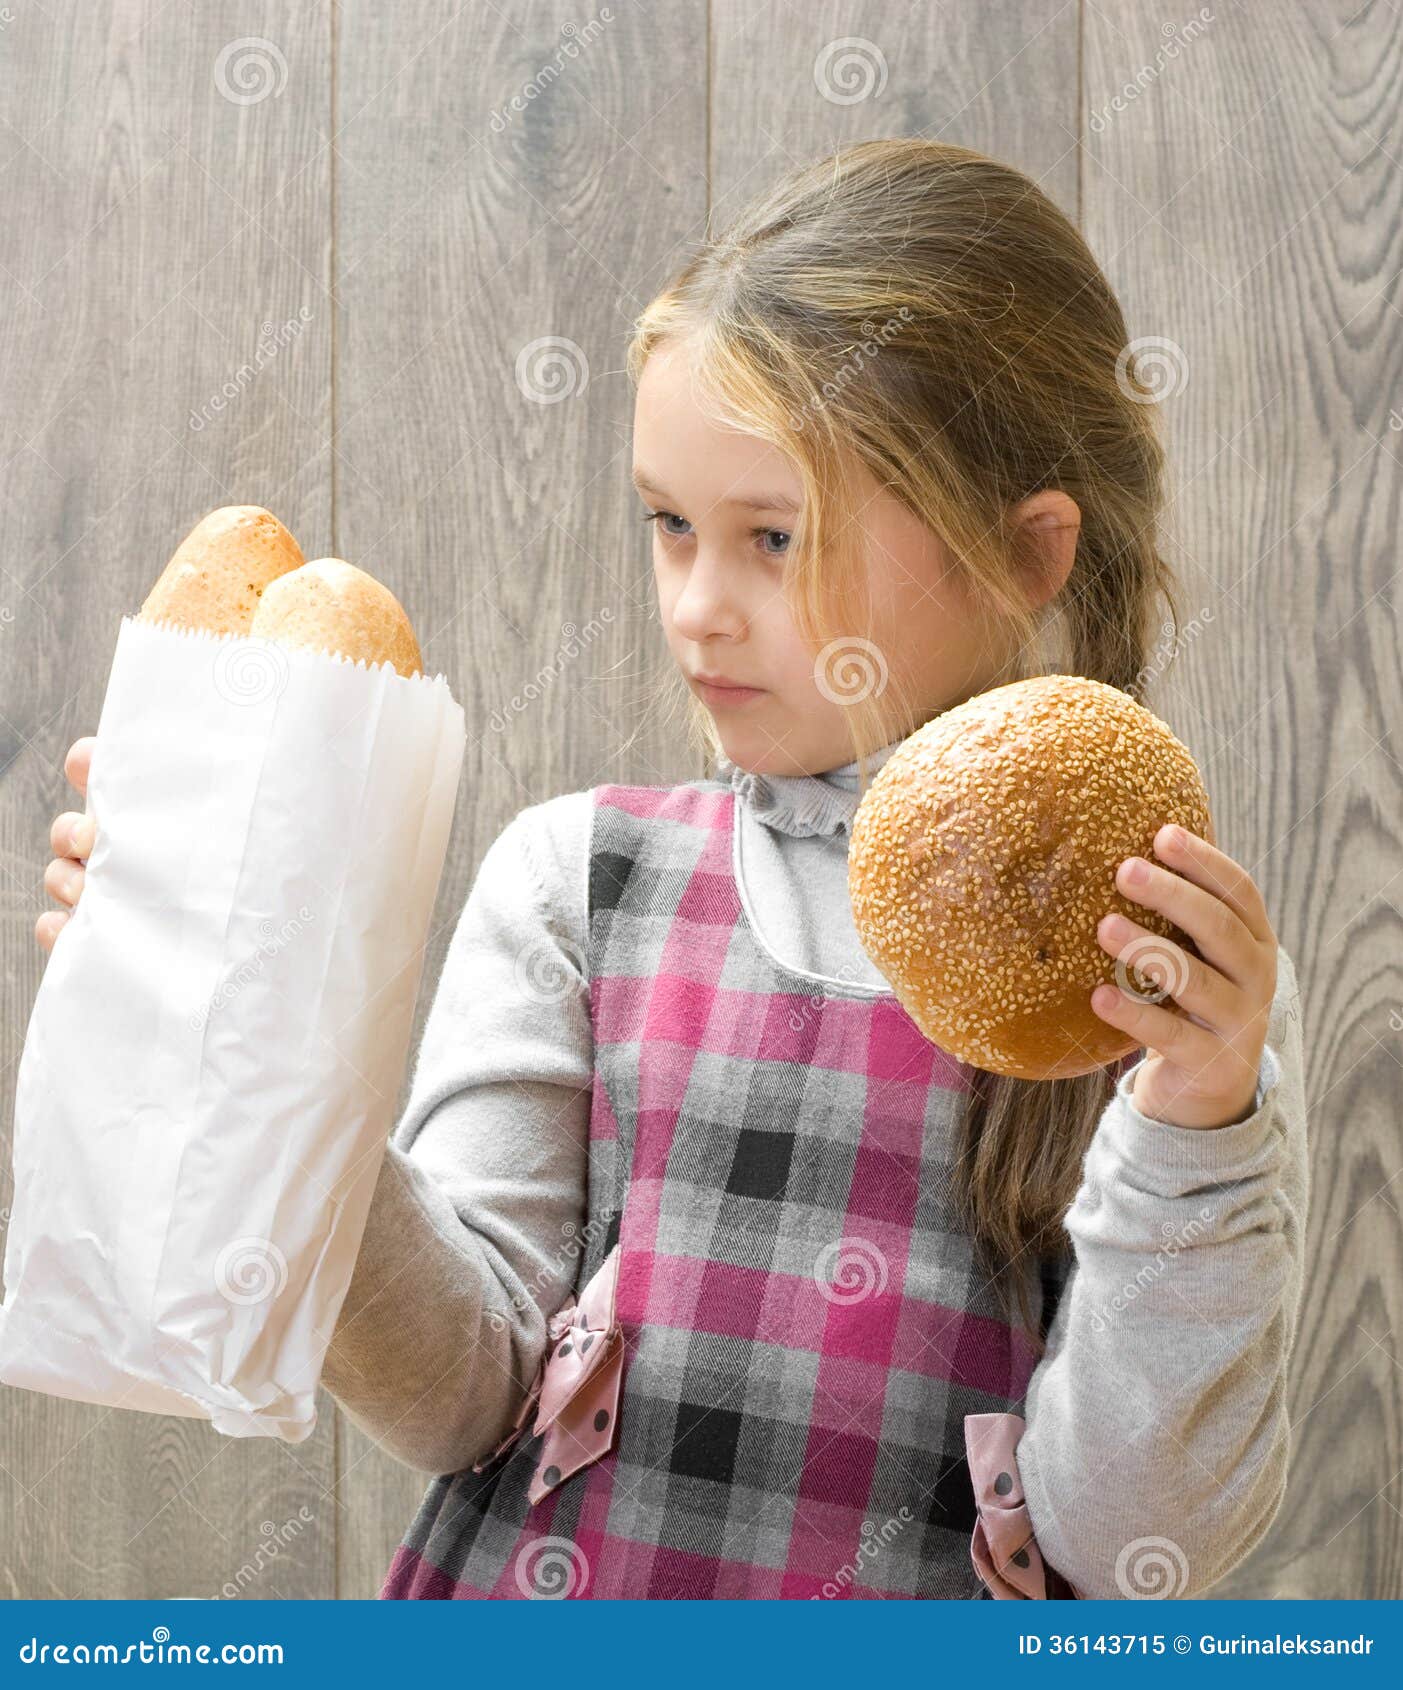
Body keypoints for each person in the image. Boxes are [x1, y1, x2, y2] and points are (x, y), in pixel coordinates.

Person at [37, 138, 1307, 1601]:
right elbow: (459, 1392)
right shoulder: (581, 882)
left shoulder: (1150, 991)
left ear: (1027, 554)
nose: (698, 608)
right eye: (670, 525)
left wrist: (1198, 1127)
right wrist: (265, 1052)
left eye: (776, 536)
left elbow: (1139, 1553)